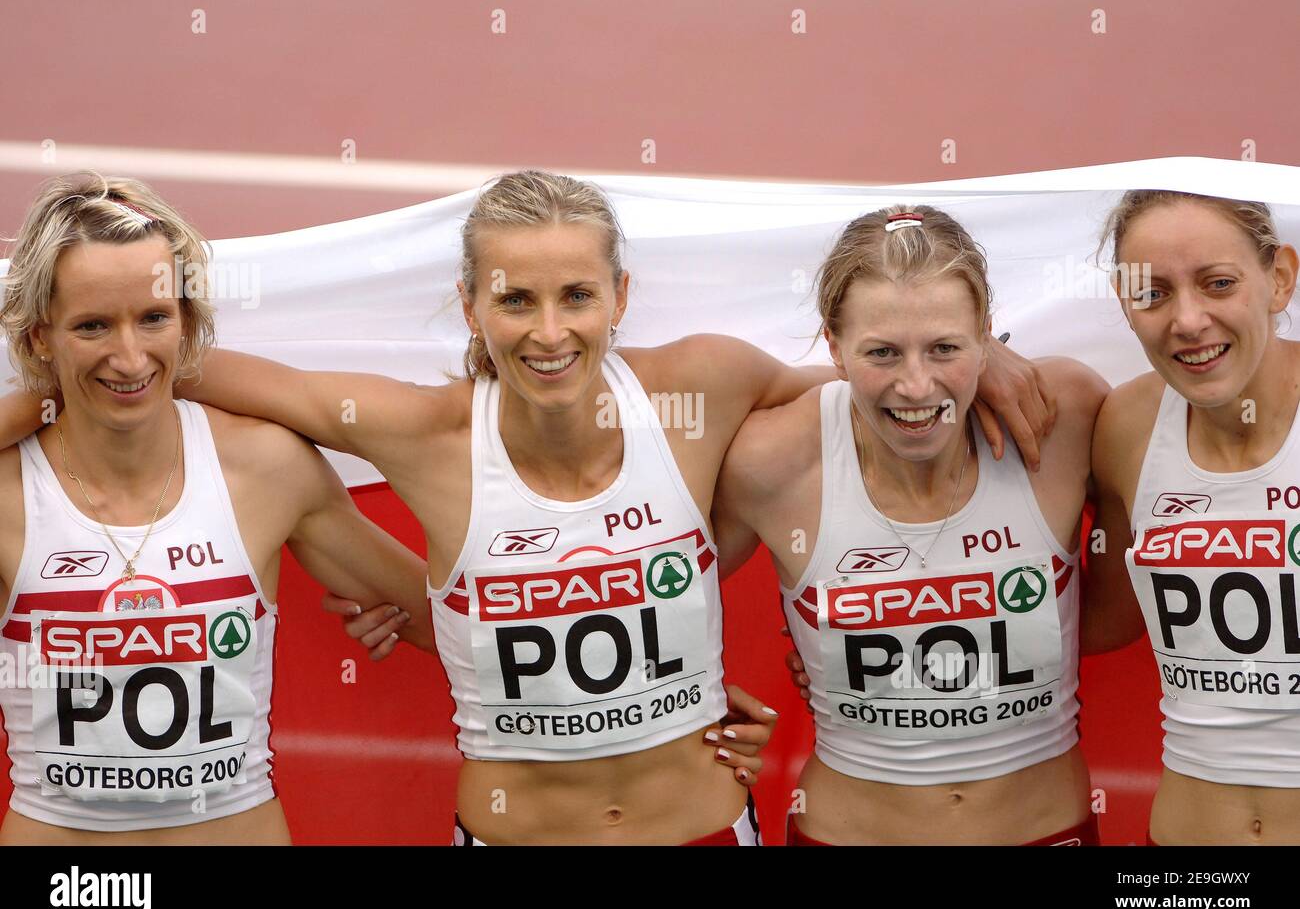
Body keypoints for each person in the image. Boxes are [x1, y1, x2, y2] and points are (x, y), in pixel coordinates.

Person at [177, 171, 1053, 844]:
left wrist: (991, 363)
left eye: (577, 296)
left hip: (705, 829)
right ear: (471, 305)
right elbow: (175, 359)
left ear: (621, 297)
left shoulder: (703, 386)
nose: (549, 332)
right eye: (515, 299)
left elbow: (880, 384)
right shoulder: (421, 430)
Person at [0, 174, 432, 844]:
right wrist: (41, 399)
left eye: (154, 318)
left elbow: (452, 622)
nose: (129, 354)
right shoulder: (8, 490)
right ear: (37, 337)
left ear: (190, 322)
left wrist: (395, 610)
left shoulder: (267, 468)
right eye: (91, 326)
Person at [717, 205, 1109, 844]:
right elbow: (651, 570)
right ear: (833, 346)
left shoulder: (1064, 417)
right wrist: (683, 700)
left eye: (945, 348)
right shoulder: (774, 460)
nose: (916, 384)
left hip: (1044, 828)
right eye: (882, 353)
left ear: (987, 331)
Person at [1084, 191, 1300, 845]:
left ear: (1280, 278)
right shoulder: (1123, 427)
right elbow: (1097, 623)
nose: (1188, 319)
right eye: (1152, 294)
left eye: (1219, 283)